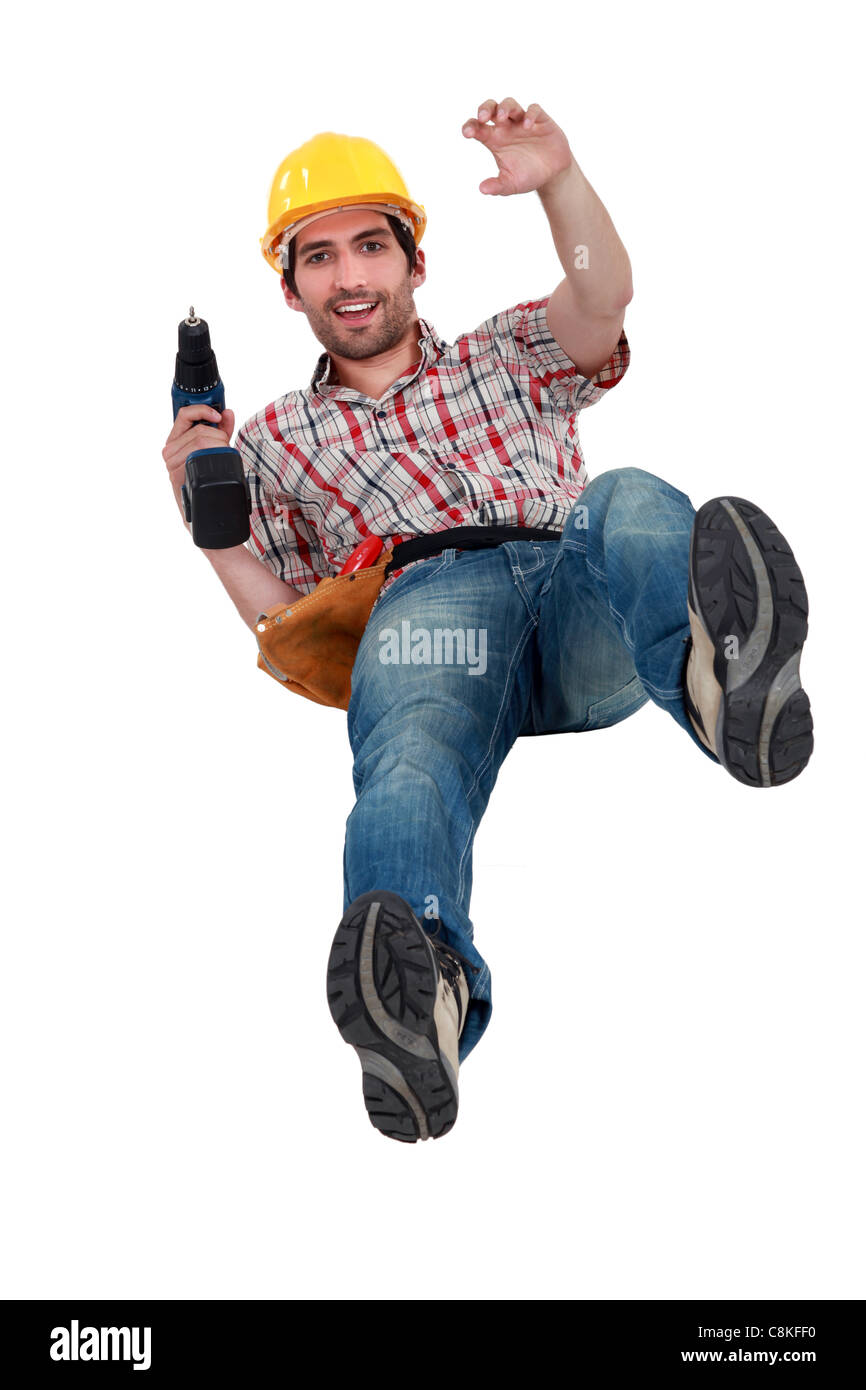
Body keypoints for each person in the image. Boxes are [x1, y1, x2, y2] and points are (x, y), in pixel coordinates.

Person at [162, 102, 813, 1145]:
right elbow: (283, 624)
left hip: (575, 586)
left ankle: (715, 676)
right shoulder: (275, 439)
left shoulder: (499, 354)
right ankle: (422, 999)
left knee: (632, 499)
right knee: (409, 768)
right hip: (431, 617)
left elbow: (601, 296)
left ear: (414, 262)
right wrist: (208, 518)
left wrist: (559, 182)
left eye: (371, 245)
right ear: (290, 290)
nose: (351, 275)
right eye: (319, 258)